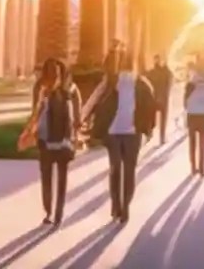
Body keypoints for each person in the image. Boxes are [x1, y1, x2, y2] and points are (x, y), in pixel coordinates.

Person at [83, 49, 155, 223]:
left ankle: (122, 207)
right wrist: (82, 117)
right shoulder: (116, 81)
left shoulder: (139, 83)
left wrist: (148, 127)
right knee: (121, 169)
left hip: (127, 132)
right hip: (118, 132)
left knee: (122, 169)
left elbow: (149, 106)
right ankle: (119, 206)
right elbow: (95, 98)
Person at [29, 58, 81, 227]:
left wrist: (76, 132)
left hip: (64, 141)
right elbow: (35, 111)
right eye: (51, 73)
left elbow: (77, 112)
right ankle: (49, 211)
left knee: (60, 179)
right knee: (47, 178)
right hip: (46, 140)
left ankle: (57, 214)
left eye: (57, 73)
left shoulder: (70, 89)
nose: (54, 77)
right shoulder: (41, 89)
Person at [146, 55, 174, 144]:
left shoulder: (152, 72)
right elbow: (170, 82)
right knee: (162, 119)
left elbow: (147, 82)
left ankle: (150, 134)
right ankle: (161, 138)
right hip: (163, 99)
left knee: (151, 117)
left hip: (154, 98)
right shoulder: (167, 73)